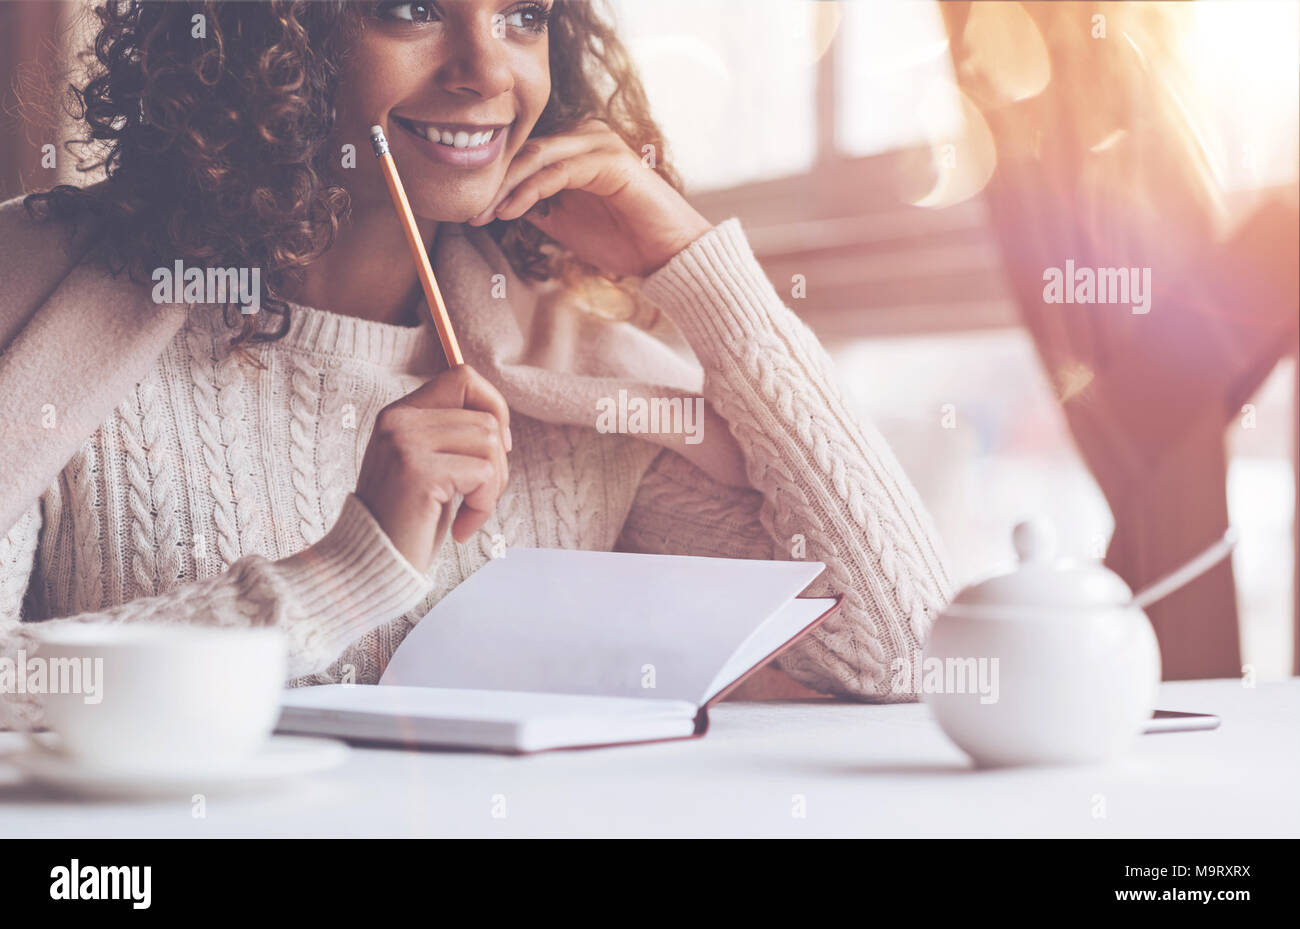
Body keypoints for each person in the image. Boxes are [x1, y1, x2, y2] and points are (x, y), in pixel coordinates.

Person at [0, 0, 953, 730]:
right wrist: (342, 572)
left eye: (522, 16)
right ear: (267, 42)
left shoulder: (579, 386)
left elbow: (905, 647)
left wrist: (701, 273)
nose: (485, 68)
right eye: (411, 7)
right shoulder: (41, 305)